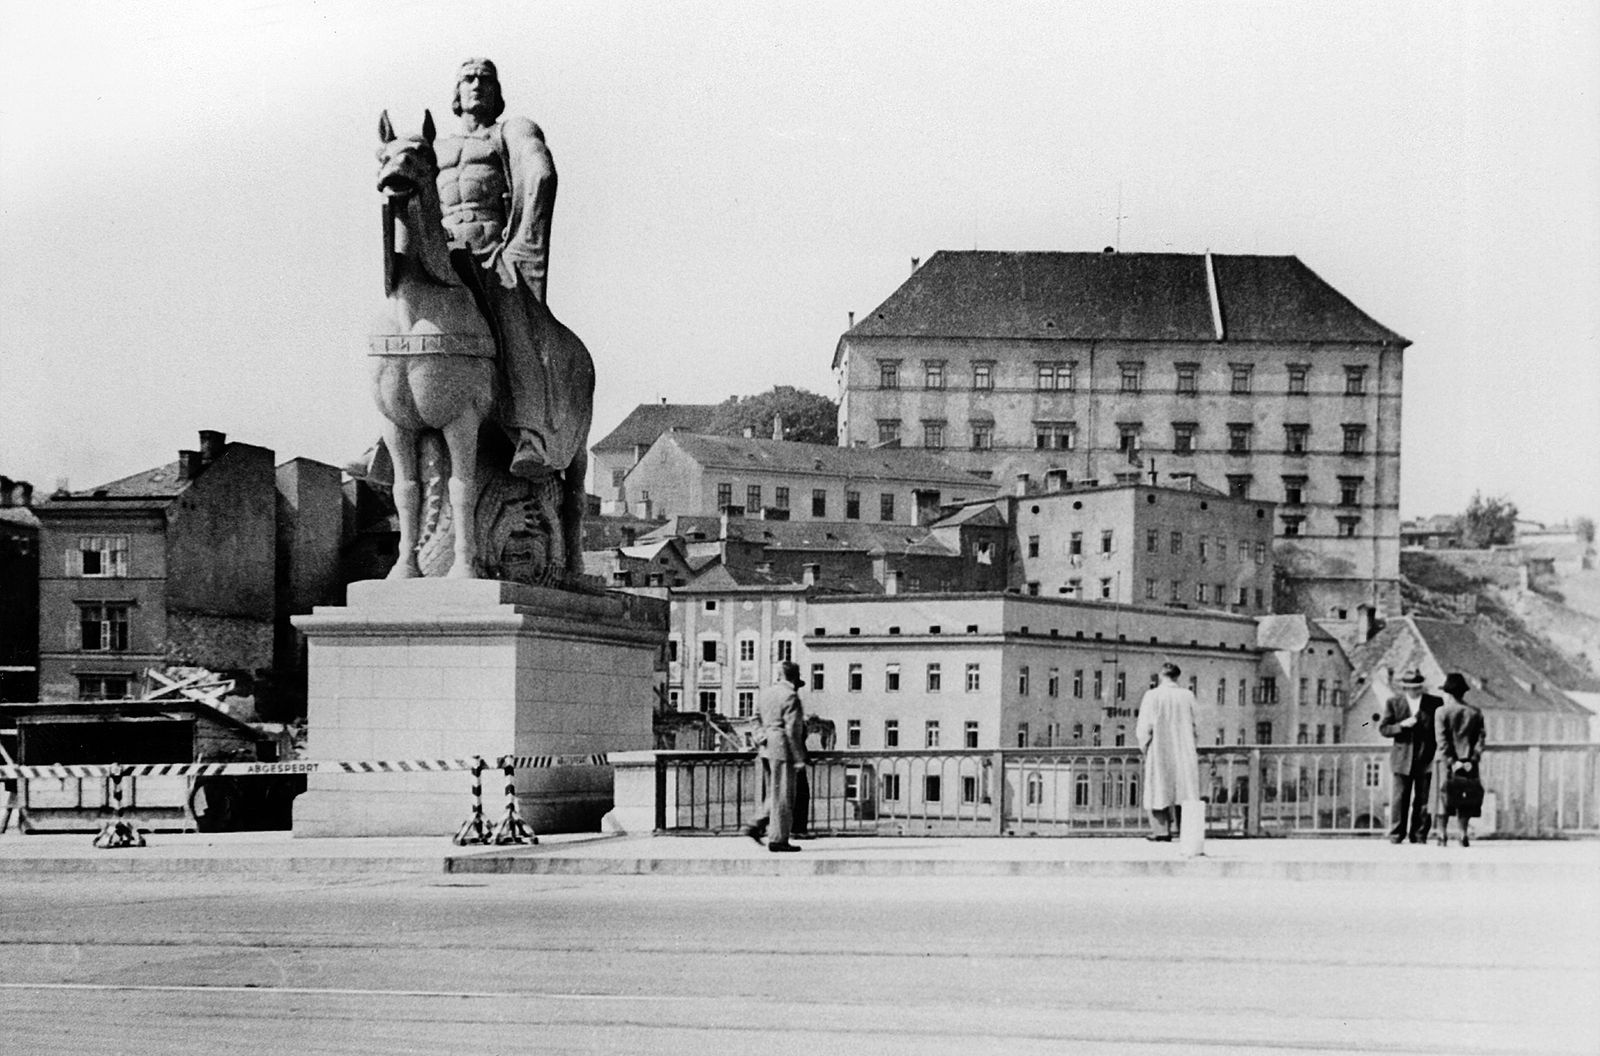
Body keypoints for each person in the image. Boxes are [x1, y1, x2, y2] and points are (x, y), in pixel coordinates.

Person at [434, 57, 591, 481]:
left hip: (492, 249)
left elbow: (538, 170)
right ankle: (389, 436)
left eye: (486, 79)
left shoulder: (509, 131)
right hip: (443, 250)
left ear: (497, 90)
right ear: (456, 91)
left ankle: (530, 434)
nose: (477, 85)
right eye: (468, 78)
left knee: (510, 318)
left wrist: (519, 236)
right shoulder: (435, 147)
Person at [744, 662, 808, 852]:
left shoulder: (766, 693)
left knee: (773, 792)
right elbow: (792, 730)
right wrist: (798, 758)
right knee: (784, 796)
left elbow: (754, 718)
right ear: (795, 678)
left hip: (765, 748)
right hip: (783, 749)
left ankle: (756, 824)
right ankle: (778, 839)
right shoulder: (791, 696)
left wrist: (761, 737)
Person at [1135, 662, 1201, 842]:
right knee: (1184, 789)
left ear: (1161, 676)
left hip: (1160, 748)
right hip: (1183, 748)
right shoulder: (1187, 695)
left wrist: (1145, 746)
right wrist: (1193, 743)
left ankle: (1161, 831)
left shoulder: (1152, 695)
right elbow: (1197, 724)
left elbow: (1144, 727)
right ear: (1177, 676)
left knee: (1158, 788)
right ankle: (1186, 832)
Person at [1379, 668, 1441, 844]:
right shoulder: (1394, 703)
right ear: (1404, 688)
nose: (1414, 691)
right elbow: (1384, 729)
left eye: (1418, 687)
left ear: (1422, 687)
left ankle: (1419, 835)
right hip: (1402, 758)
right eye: (1411, 687)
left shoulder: (1435, 703)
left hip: (1426, 758)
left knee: (1423, 800)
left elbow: (1440, 729)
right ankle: (1397, 834)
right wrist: (1401, 725)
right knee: (1400, 798)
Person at [1434, 671, 1486, 847]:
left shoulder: (1441, 712)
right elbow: (1480, 739)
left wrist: (1451, 761)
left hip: (1446, 763)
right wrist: (1473, 759)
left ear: (1448, 693)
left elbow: (1441, 740)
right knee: (1466, 796)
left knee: (1443, 796)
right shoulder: (1475, 712)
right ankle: (1463, 833)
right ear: (1464, 692)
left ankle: (1442, 834)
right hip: (1469, 763)